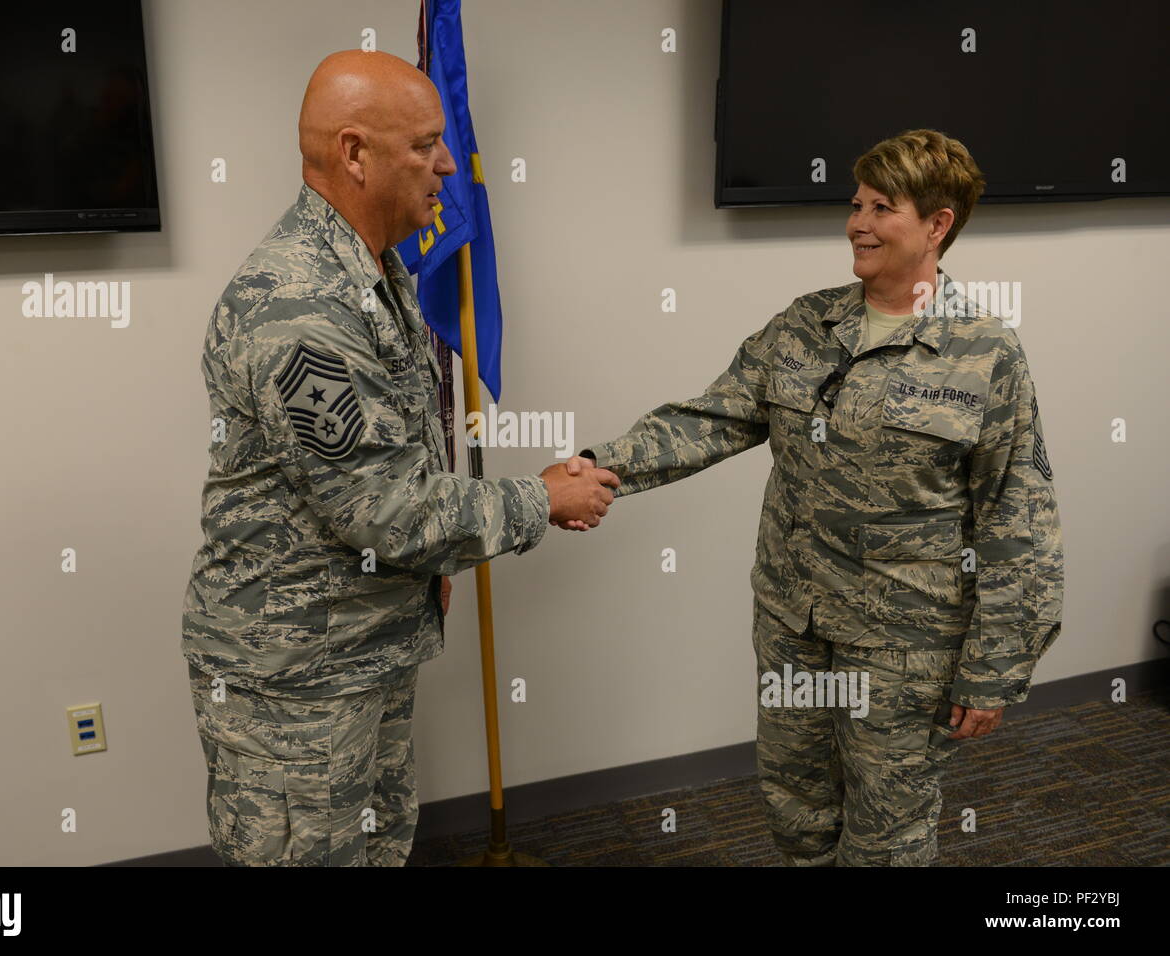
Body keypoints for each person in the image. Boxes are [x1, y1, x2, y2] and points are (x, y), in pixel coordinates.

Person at [561, 129, 1063, 866]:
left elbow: (1018, 517)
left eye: (882, 207)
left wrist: (995, 668)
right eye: (856, 204)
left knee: (886, 832)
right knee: (796, 809)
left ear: (937, 225)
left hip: (903, 644)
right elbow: (713, 418)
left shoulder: (985, 351)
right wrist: (597, 466)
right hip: (794, 625)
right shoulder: (805, 324)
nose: (857, 223)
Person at [181, 49, 620, 867]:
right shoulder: (301, 305)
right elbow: (382, 509)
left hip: (356, 651)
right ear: (355, 153)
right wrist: (540, 499)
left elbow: (395, 461)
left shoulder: (373, 269)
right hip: (299, 685)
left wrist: (425, 563)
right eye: (425, 145)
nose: (448, 164)